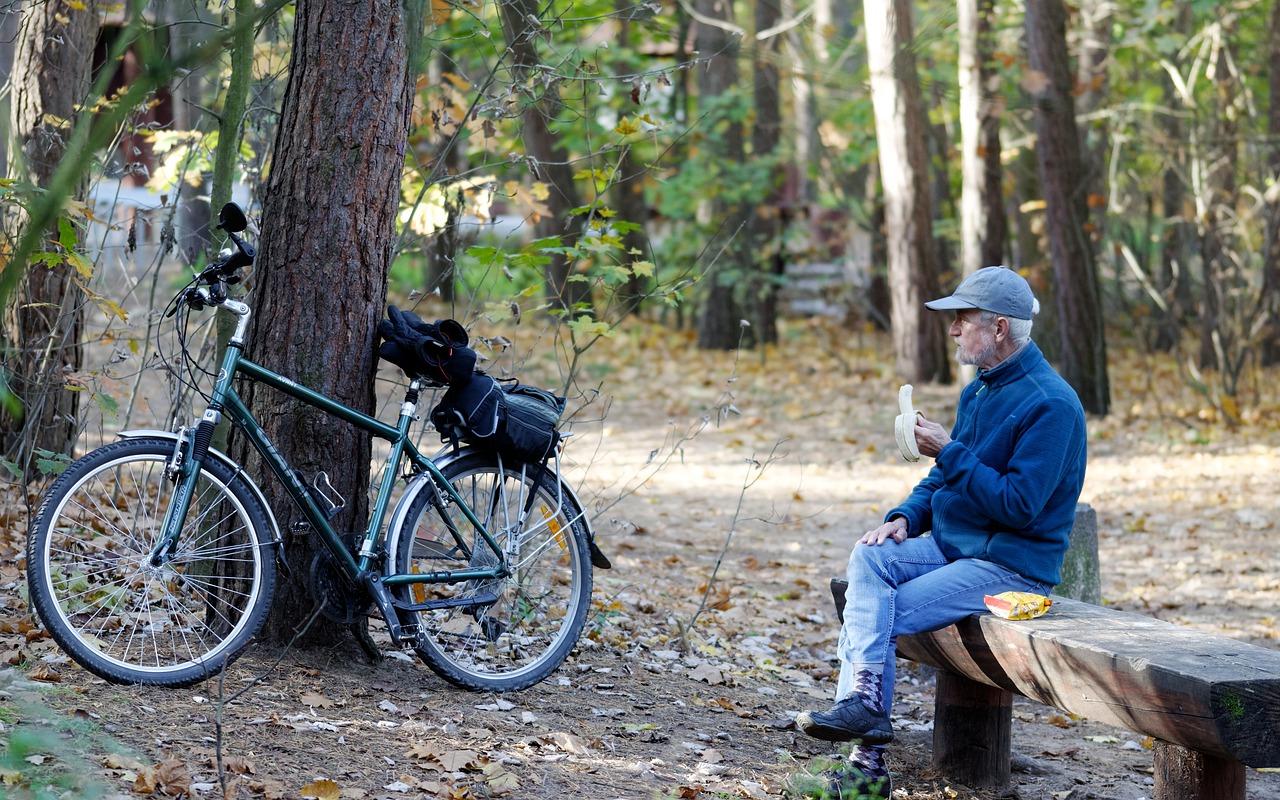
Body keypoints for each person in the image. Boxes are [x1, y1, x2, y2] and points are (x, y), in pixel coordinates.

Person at [796, 266, 1088, 796]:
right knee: (869, 557)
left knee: (876, 615)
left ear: (999, 328)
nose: (952, 329)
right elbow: (942, 479)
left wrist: (948, 450)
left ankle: (866, 770)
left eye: (962, 319)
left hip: (1011, 568)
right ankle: (864, 711)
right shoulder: (980, 390)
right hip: (957, 548)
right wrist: (904, 517)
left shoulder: (1052, 404)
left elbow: (1018, 507)